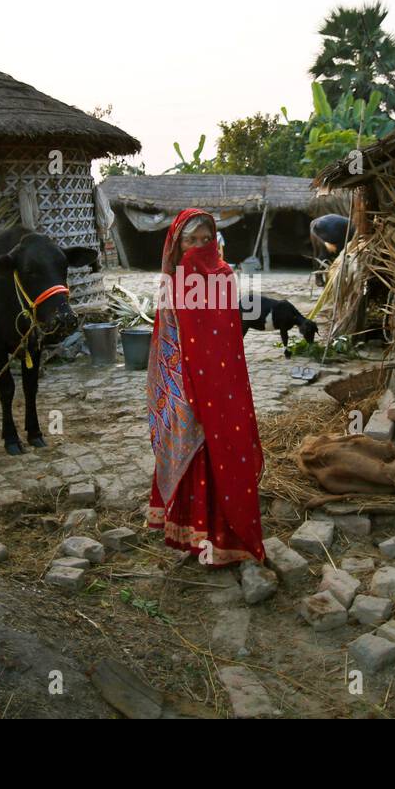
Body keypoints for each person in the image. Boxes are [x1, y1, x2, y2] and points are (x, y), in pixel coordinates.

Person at [146, 209, 265, 567]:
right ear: (177, 245)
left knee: (222, 450)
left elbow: (228, 343)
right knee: (192, 451)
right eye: (190, 241)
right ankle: (191, 534)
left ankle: (225, 537)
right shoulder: (173, 282)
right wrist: (179, 384)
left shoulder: (225, 277)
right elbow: (166, 339)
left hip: (220, 388)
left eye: (205, 240)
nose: (199, 247)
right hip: (182, 385)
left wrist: (211, 385)